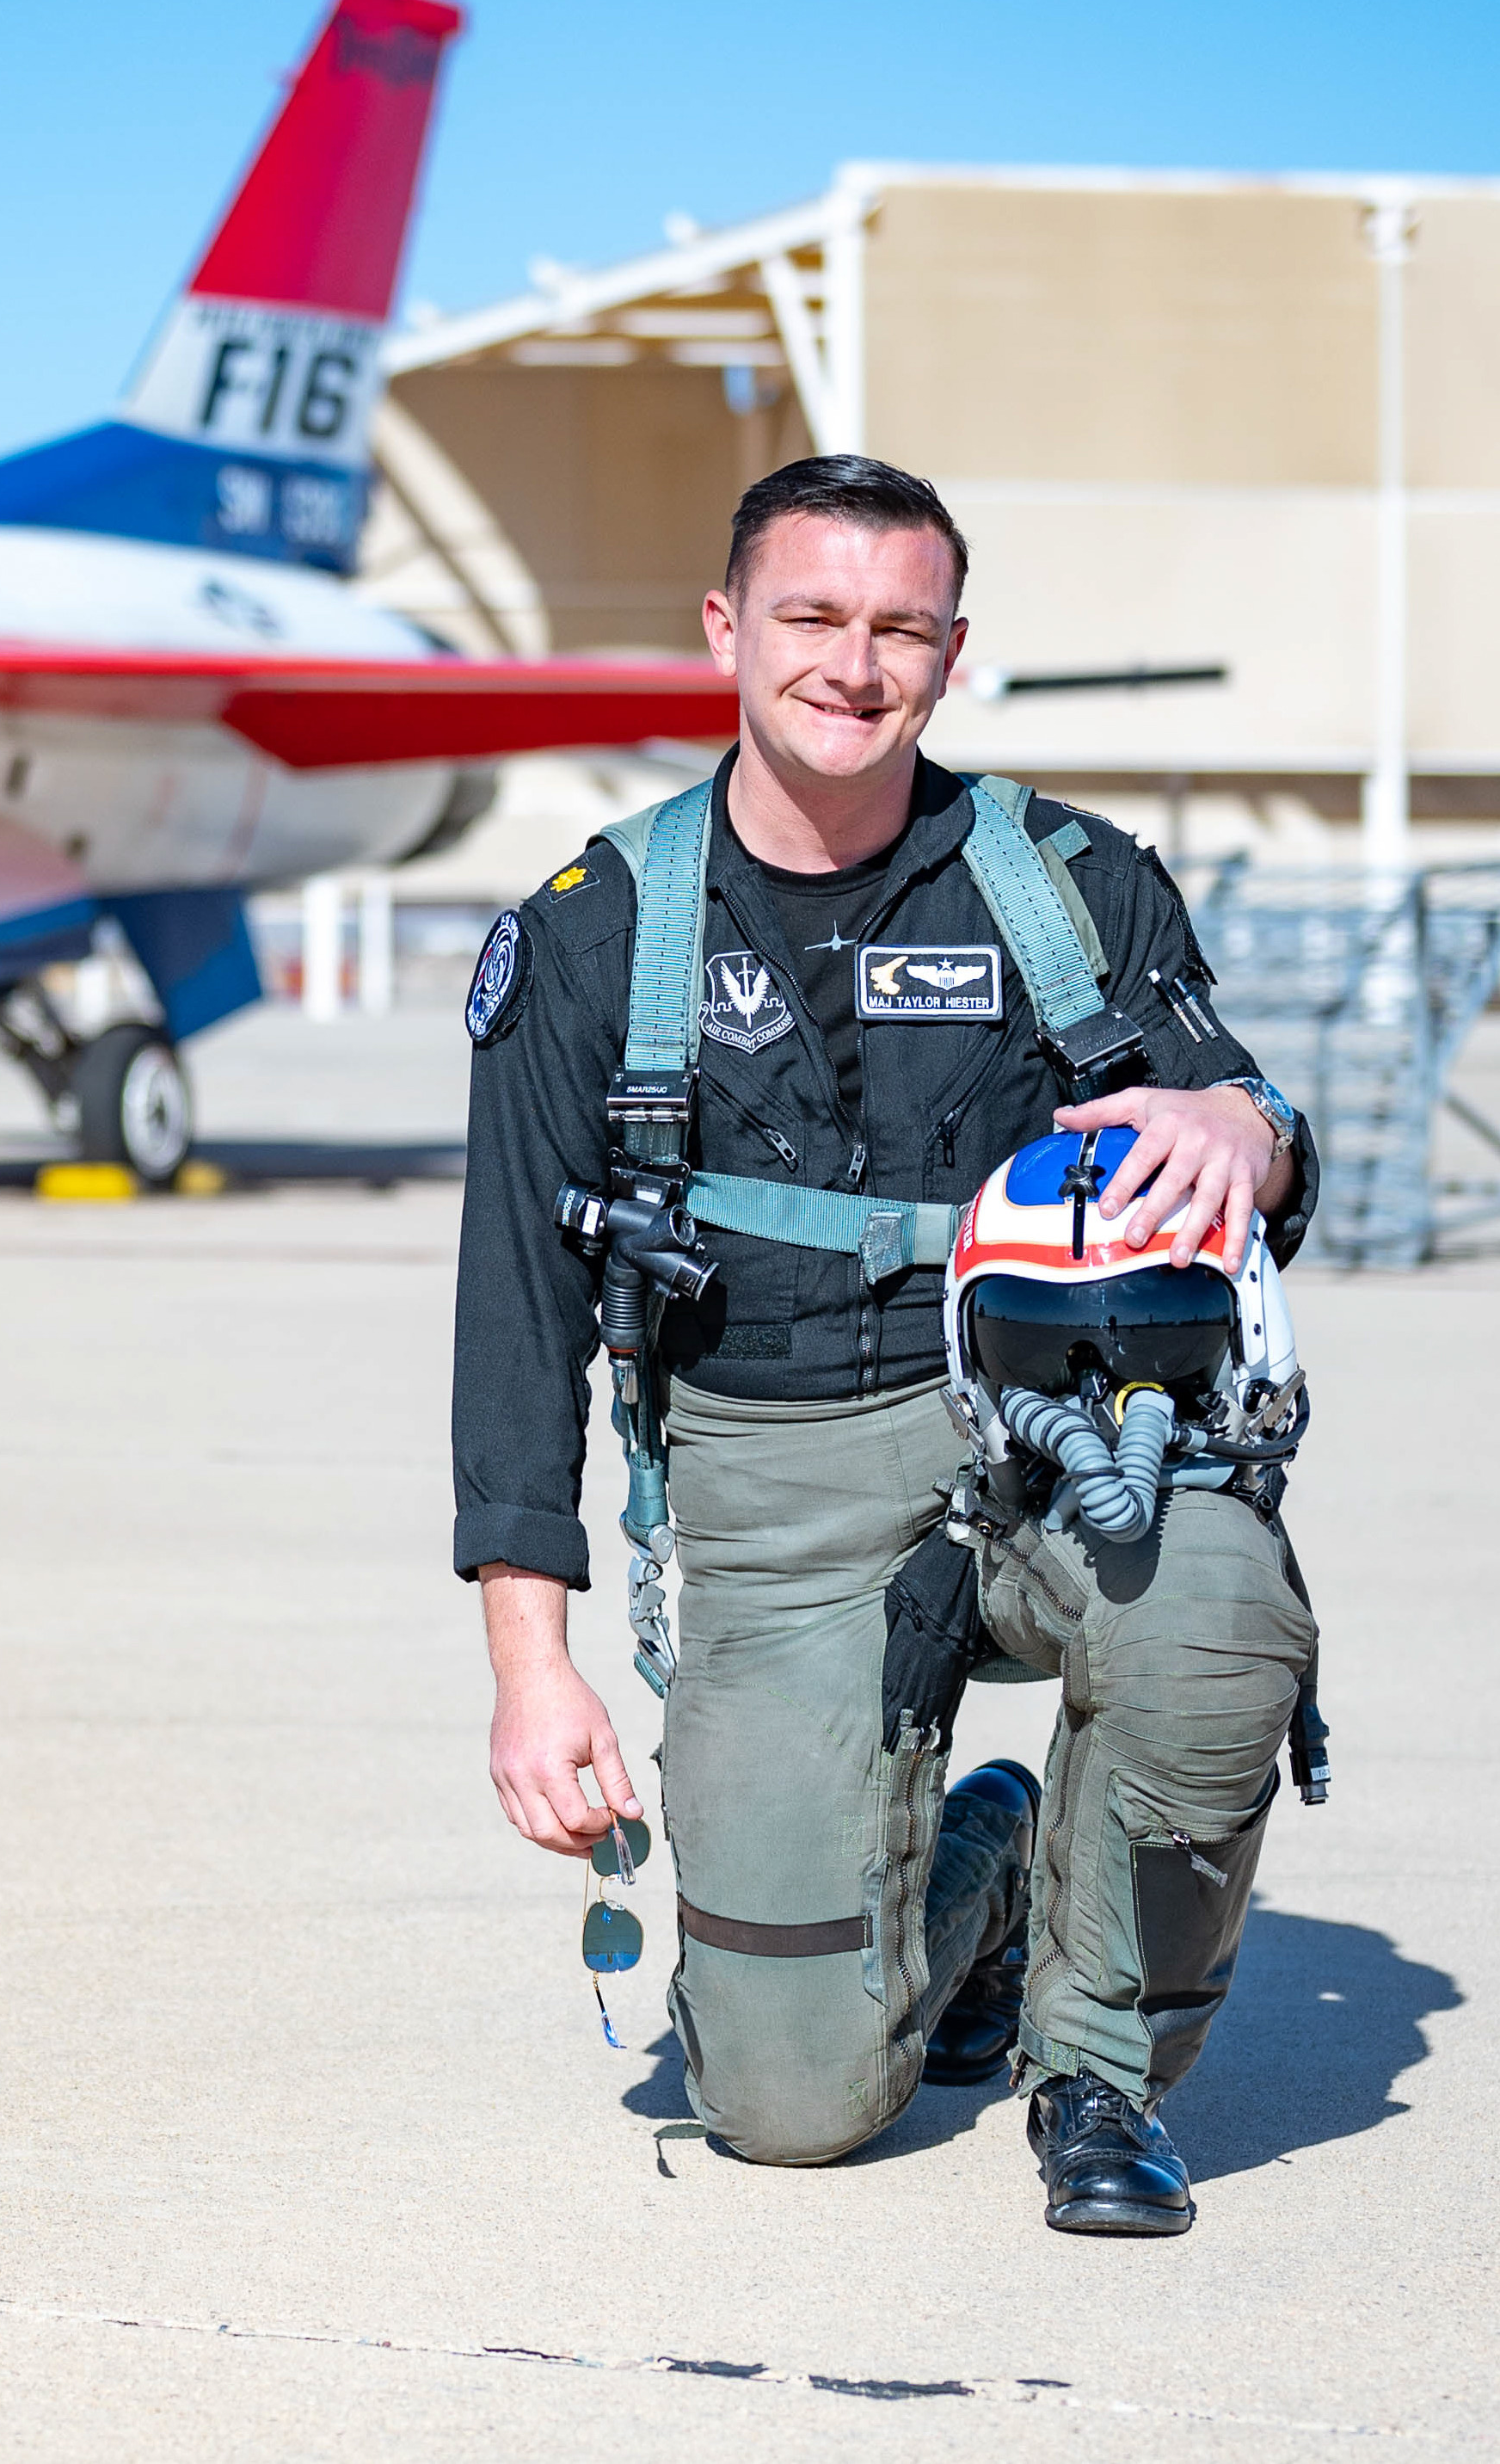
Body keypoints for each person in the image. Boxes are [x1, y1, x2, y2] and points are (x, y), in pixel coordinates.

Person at [452, 456, 1319, 2233]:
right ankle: (987, 1857)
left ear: (950, 650)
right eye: (812, 618)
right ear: (726, 629)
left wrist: (1255, 1122)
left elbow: (1240, 1120)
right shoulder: (592, 934)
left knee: (1220, 1619)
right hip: (773, 1492)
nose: (853, 664)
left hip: (1057, 1442)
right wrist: (529, 1665)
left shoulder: (1068, 887)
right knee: (786, 2102)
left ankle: (1096, 2069)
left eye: (899, 627)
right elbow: (512, 1323)